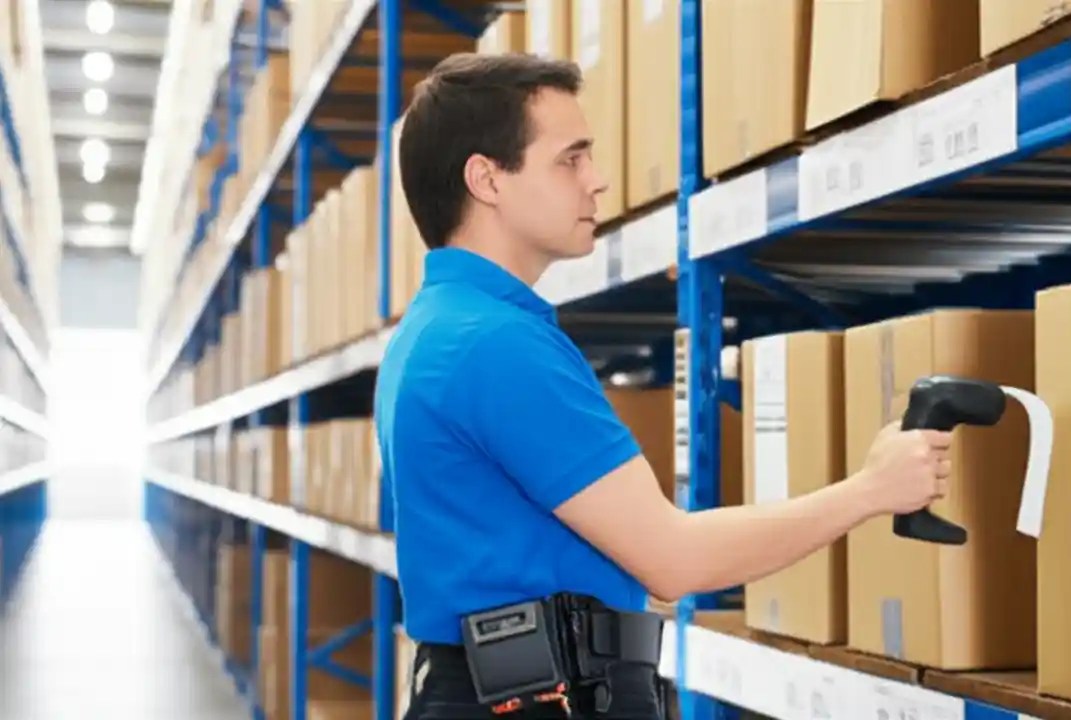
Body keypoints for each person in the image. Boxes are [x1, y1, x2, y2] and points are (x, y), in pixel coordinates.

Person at [374, 52, 953, 720]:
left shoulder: (436, 330)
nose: (598, 180)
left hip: (508, 688)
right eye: (570, 159)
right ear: (487, 179)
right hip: (540, 699)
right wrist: (872, 490)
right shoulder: (493, 344)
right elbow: (673, 560)